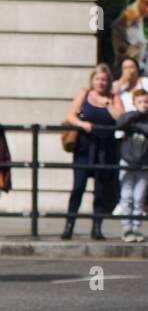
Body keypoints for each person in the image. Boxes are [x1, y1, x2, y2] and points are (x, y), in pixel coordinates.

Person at [63, 64, 125, 240]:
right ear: (92, 80)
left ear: (108, 82)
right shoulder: (84, 94)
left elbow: (121, 118)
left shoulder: (113, 98)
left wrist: (108, 104)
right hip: (85, 146)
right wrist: (82, 125)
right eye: (98, 79)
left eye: (104, 79)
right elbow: (70, 115)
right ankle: (69, 225)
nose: (101, 82)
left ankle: (97, 227)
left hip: (105, 148)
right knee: (78, 187)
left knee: (100, 189)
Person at [113, 88, 148, 243]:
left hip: (144, 164)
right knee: (126, 196)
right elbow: (120, 123)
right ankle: (127, 228)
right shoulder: (129, 117)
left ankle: (136, 228)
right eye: (140, 102)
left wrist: (138, 125)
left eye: (146, 102)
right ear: (134, 103)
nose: (144, 105)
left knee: (139, 197)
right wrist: (136, 114)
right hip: (127, 161)